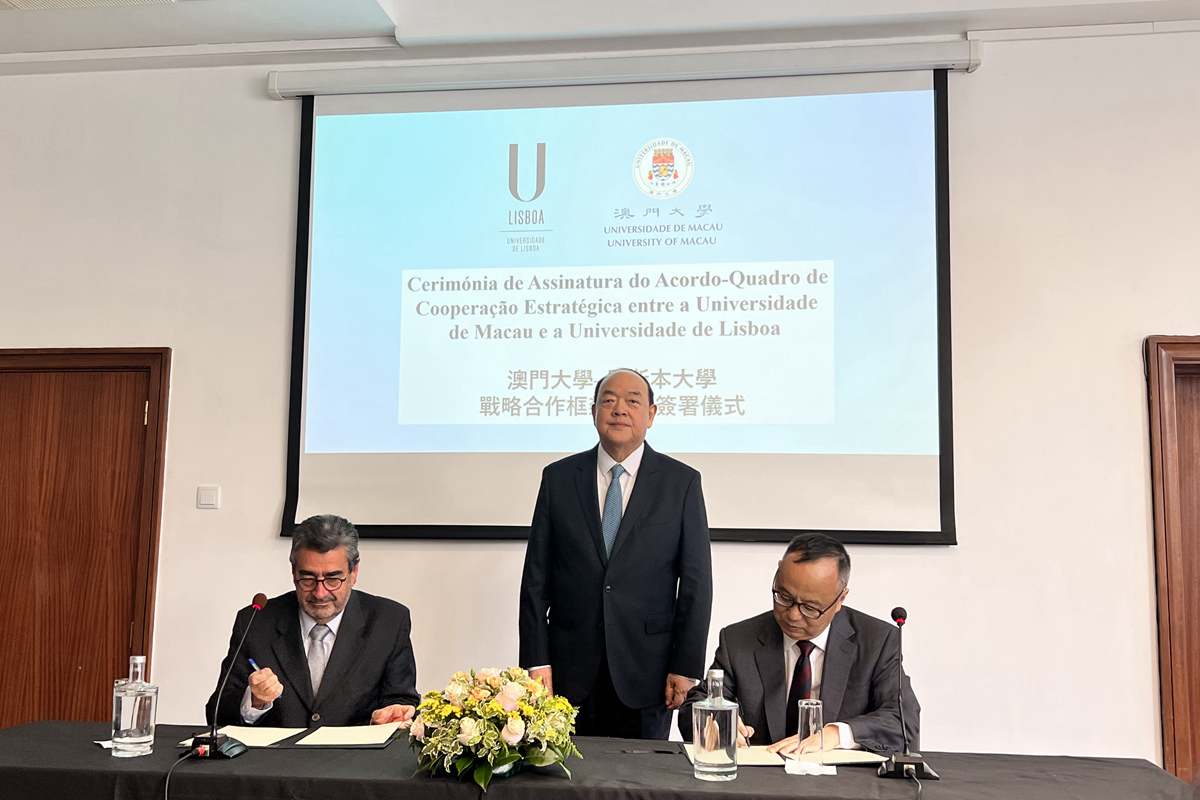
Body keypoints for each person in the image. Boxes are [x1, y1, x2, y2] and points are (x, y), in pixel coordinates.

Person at [519, 368, 713, 740]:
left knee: (640, 786)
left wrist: (686, 667)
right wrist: (536, 659)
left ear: (651, 415)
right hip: (568, 670)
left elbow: (695, 584)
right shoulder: (558, 478)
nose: (619, 409)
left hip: (648, 672)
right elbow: (535, 578)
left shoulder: (681, 483)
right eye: (608, 400)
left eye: (632, 401)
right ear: (593, 411)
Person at [679, 532, 919, 754]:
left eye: (810, 608)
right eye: (784, 597)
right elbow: (697, 704)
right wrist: (716, 720)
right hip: (760, 783)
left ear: (840, 599)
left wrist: (835, 734)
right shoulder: (739, 640)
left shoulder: (876, 641)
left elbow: (902, 718)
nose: (793, 615)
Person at [205, 514, 420, 727]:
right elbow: (217, 714)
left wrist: (388, 717)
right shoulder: (256, 621)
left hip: (354, 758)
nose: (319, 593)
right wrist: (254, 701)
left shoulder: (389, 621)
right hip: (276, 759)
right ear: (293, 572)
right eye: (307, 579)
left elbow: (401, 700)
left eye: (333, 579)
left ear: (353, 572)